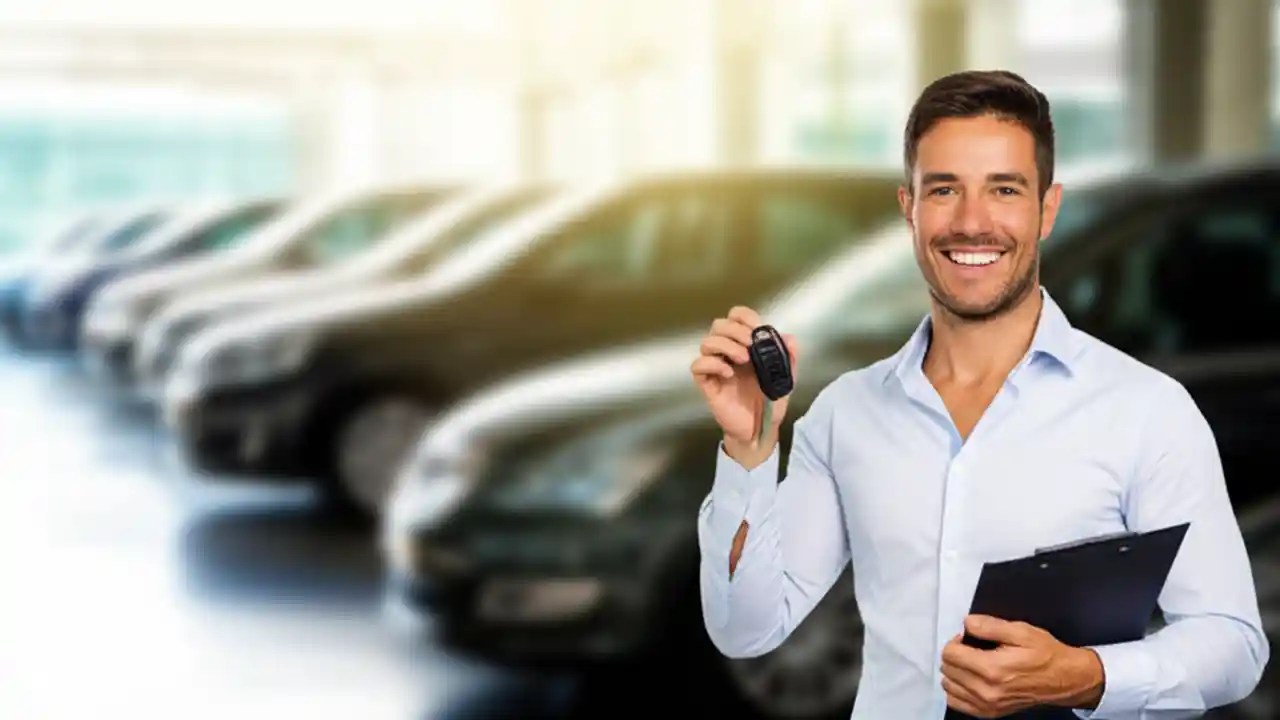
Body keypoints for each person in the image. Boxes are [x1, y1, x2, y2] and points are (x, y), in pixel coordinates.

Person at [690, 69, 1269, 719]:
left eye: (1004, 189)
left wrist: (1087, 675)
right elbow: (747, 630)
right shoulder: (847, 412)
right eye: (944, 190)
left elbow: (1233, 645)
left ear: (1046, 210)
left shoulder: (1146, 412)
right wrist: (749, 450)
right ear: (909, 208)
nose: (972, 222)